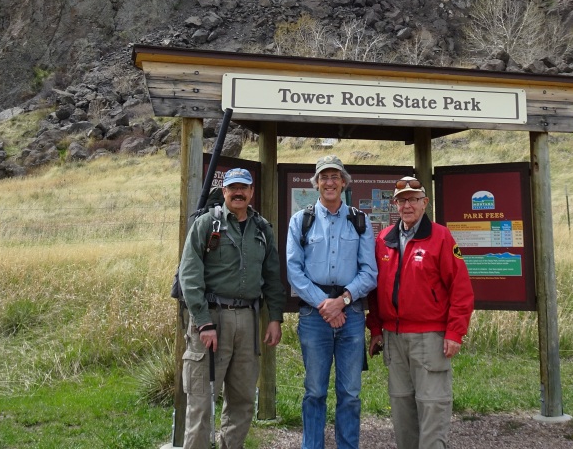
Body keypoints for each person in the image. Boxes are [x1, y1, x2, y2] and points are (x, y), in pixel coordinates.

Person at [178, 167, 286, 449]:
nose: (238, 192)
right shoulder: (206, 225)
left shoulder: (262, 228)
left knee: (243, 399)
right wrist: (202, 322)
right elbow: (189, 274)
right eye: (232, 187)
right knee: (201, 401)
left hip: (248, 321)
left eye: (244, 188)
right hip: (211, 320)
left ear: (252, 192)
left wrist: (275, 318)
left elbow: (273, 277)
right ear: (224, 191)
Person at [367, 175, 475, 449]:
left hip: (430, 338)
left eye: (413, 200)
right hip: (393, 338)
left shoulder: (441, 237)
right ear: (395, 205)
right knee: (402, 408)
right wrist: (376, 330)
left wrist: (454, 332)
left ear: (424, 203)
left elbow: (461, 290)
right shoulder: (383, 239)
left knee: (432, 407)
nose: (407, 206)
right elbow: (375, 291)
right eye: (401, 200)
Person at [286, 155, 378, 449]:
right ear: (316, 184)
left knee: (350, 393)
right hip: (315, 317)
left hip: (350, 316)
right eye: (323, 177)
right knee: (314, 391)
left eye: (335, 177)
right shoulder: (301, 220)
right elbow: (293, 270)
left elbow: (370, 272)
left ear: (344, 183)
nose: (329, 183)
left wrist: (343, 300)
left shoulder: (360, 220)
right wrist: (325, 304)